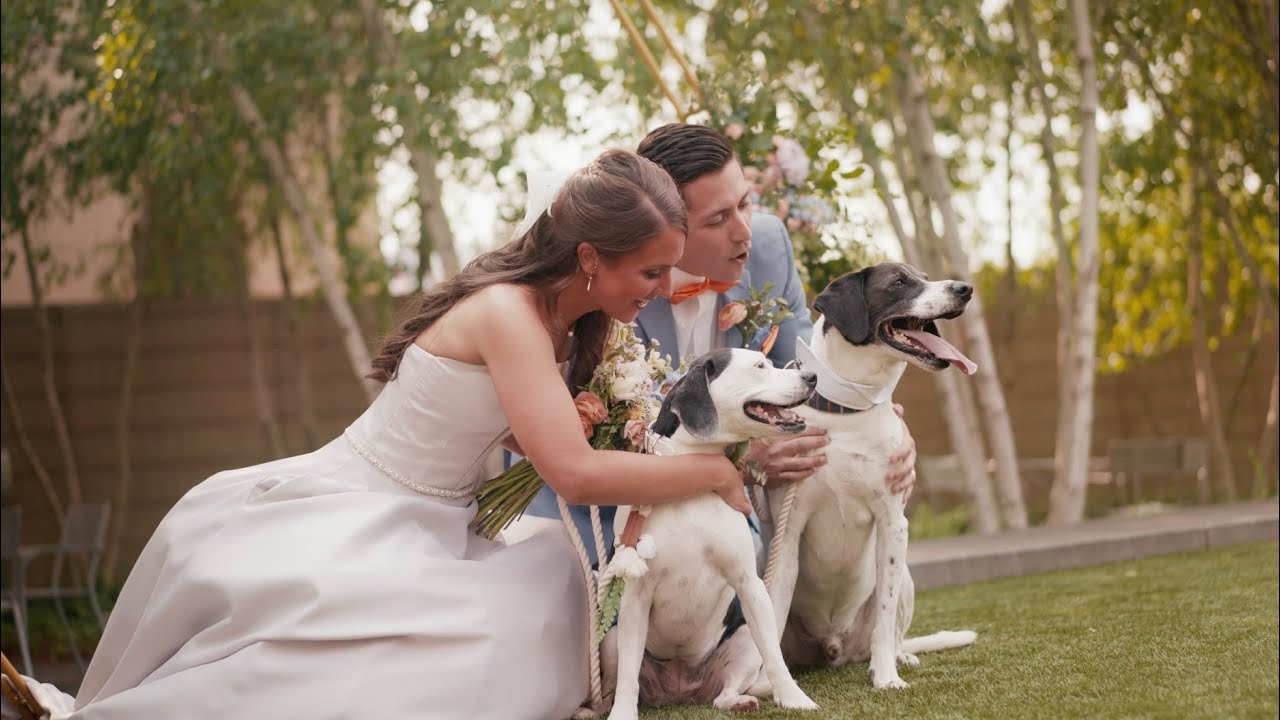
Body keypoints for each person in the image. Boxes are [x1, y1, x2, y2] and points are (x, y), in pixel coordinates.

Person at [11, 149, 752, 720]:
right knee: (336, 658)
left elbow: (540, 444)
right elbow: (575, 474)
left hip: (444, 518)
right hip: (364, 504)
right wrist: (712, 473)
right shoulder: (508, 313)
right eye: (651, 273)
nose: (660, 290)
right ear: (589, 258)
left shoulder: (569, 318)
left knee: (548, 577)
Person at [530, 123, 917, 564]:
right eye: (718, 219)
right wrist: (746, 458)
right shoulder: (611, 284)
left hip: (728, 520)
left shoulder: (768, 245)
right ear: (664, 225)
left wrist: (880, 424)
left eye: (745, 204)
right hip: (606, 518)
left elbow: (810, 375)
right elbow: (605, 440)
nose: (744, 232)